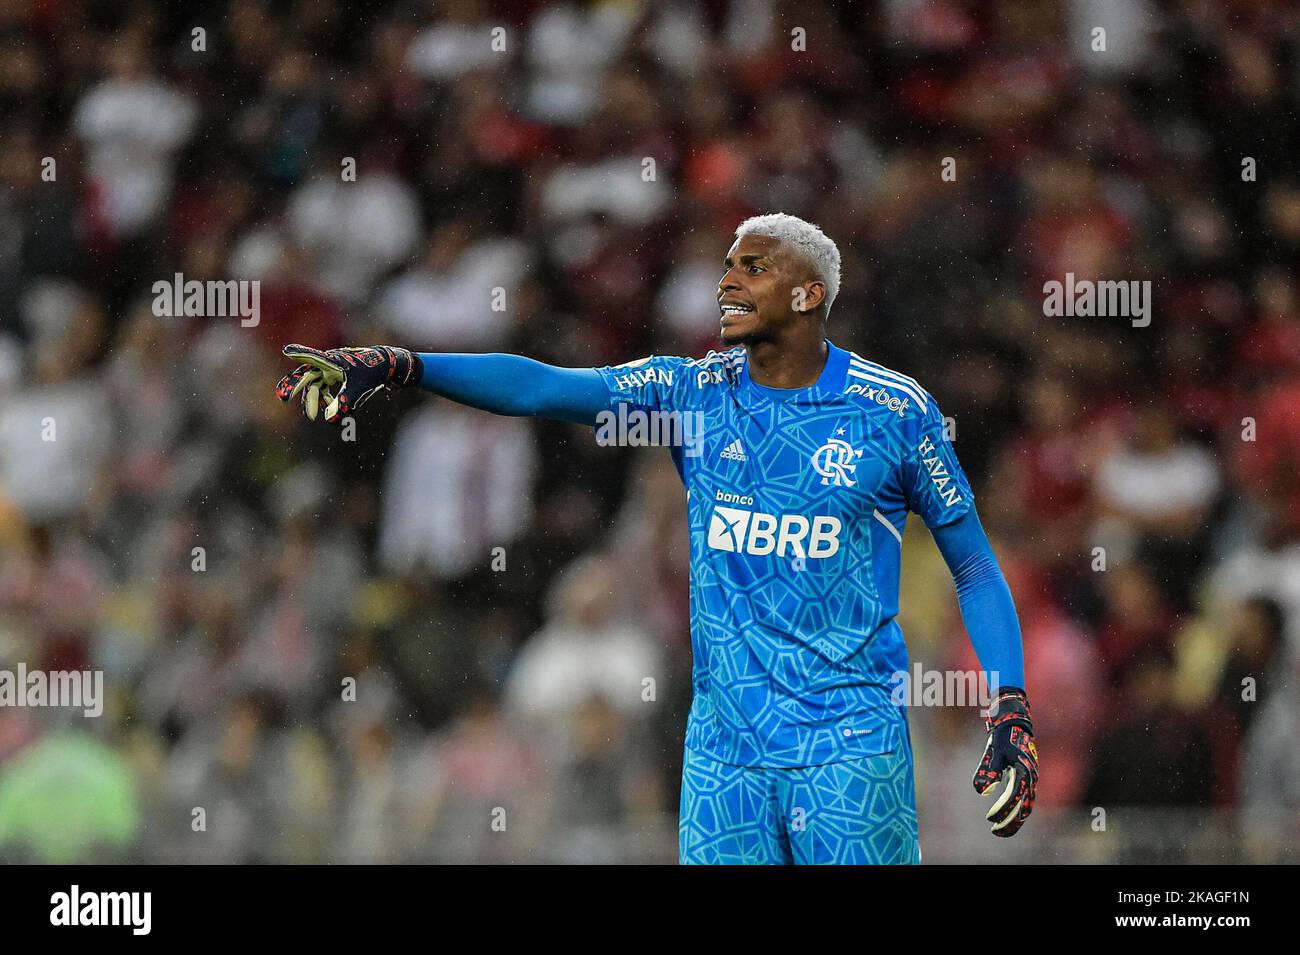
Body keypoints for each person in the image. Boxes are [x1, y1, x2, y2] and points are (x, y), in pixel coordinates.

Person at [275, 213, 1037, 864]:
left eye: (754, 267)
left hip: (846, 742)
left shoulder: (893, 411)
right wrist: (405, 365)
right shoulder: (691, 393)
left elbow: (972, 566)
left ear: (809, 295)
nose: (727, 281)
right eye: (728, 265)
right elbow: (546, 387)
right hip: (724, 753)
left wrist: (1008, 703)